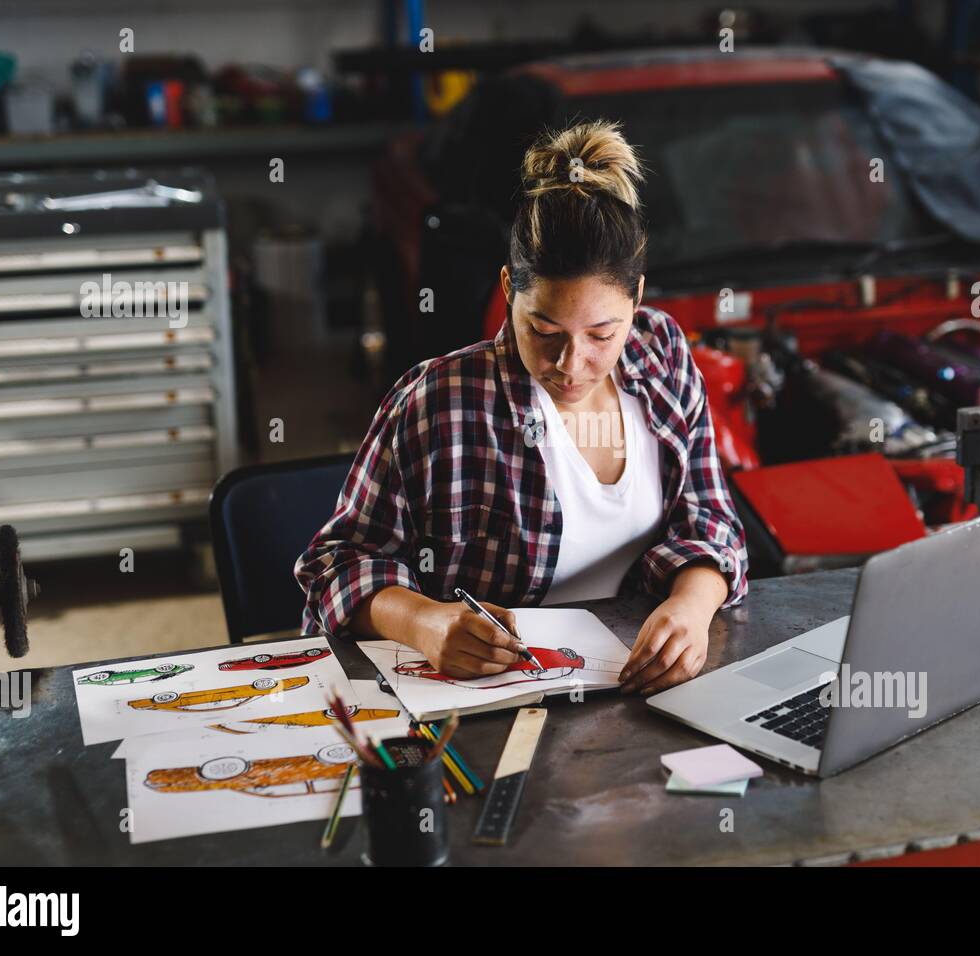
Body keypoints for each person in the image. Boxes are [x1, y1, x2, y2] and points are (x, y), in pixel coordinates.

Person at [296, 119, 748, 695]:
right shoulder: (440, 403)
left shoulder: (662, 353)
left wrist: (693, 602)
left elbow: (710, 515)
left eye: (602, 335)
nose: (571, 363)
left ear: (636, 300)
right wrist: (425, 622)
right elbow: (333, 567)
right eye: (544, 331)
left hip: (638, 685)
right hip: (491, 700)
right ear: (509, 288)